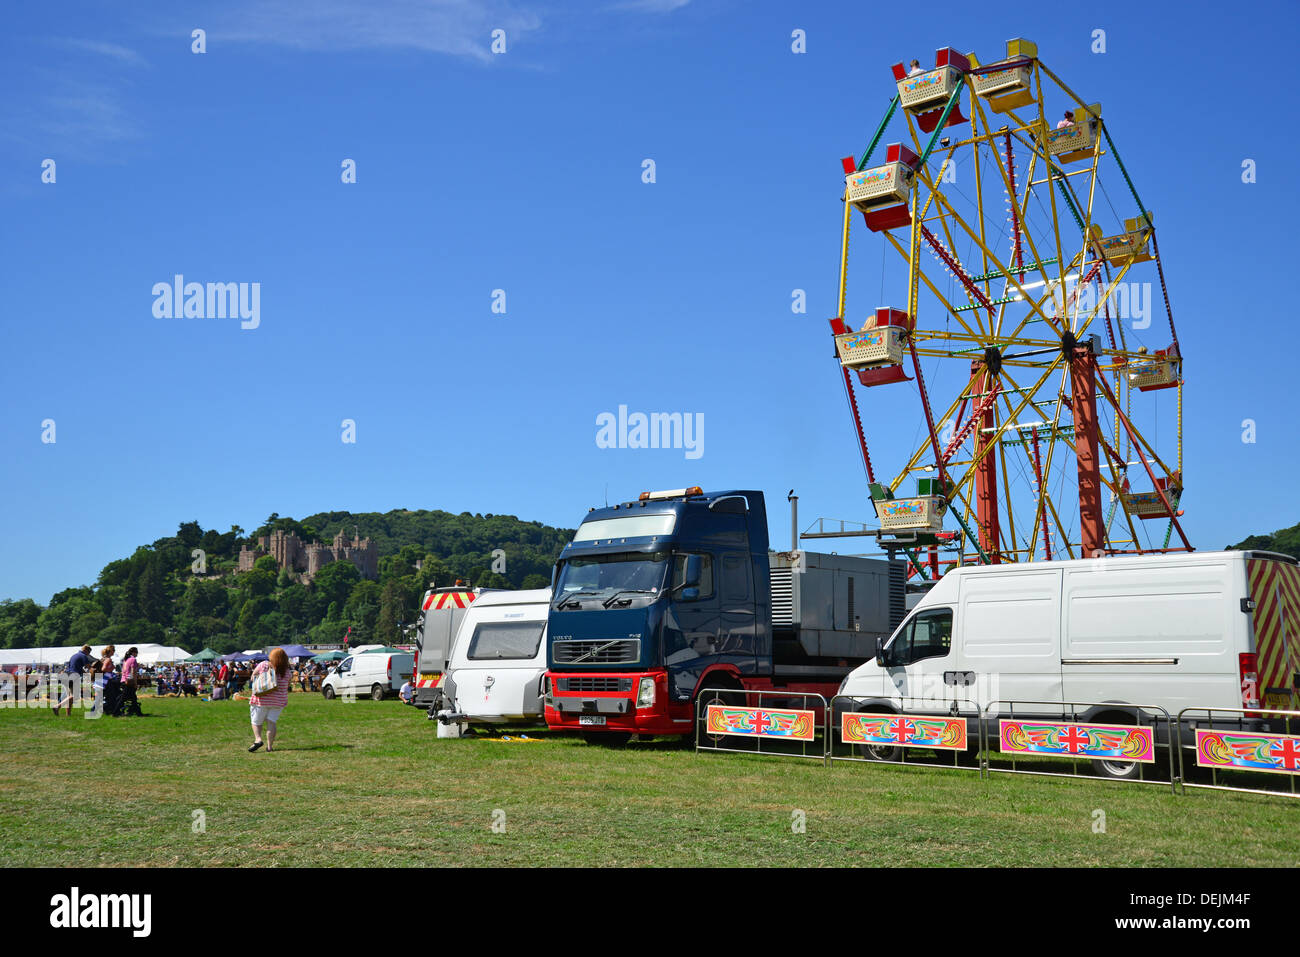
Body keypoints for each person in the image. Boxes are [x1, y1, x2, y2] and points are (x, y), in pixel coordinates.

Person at [248, 648, 292, 753]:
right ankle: (269, 747)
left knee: (256, 722)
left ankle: (258, 739)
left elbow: (252, 676)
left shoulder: (264, 665)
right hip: (278, 701)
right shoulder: (287, 671)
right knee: (271, 723)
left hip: (262, 699)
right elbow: (287, 685)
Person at [55, 644, 93, 716]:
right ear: (85, 650)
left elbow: (78, 668)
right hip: (74, 676)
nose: (88, 654)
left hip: (66, 675)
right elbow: (89, 667)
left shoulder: (74, 655)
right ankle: (57, 706)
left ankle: (68, 714)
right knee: (75, 696)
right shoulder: (83, 656)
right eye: (89, 652)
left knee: (69, 696)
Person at [119, 647, 142, 716]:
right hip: (129, 681)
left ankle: (138, 713)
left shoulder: (126, 660)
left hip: (123, 680)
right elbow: (133, 673)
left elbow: (124, 671)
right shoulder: (133, 659)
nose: (137, 654)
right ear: (133, 653)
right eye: (136, 652)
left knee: (133, 698)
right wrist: (135, 683)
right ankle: (115, 712)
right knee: (123, 699)